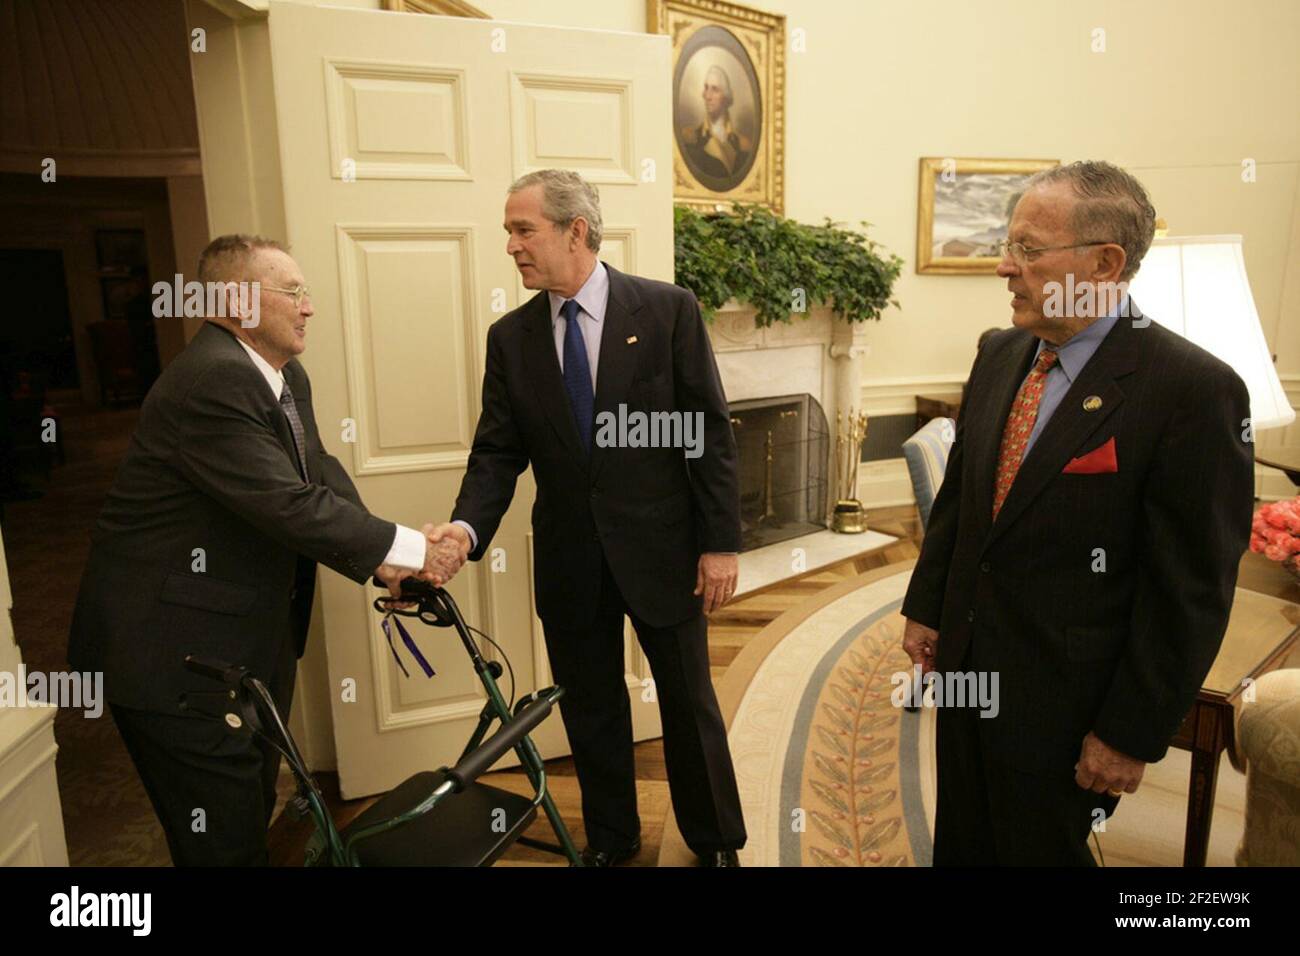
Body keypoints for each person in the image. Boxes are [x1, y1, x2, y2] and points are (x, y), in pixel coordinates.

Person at [67, 234, 466, 866]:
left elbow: (315, 472)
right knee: (221, 841)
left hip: (236, 644)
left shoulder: (281, 375)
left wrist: (390, 559)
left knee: (245, 812)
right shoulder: (213, 380)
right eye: (293, 292)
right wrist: (417, 550)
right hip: (170, 651)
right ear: (234, 301)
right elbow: (287, 503)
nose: (309, 306)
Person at [900, 161, 1254, 865]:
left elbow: (1187, 591)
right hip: (970, 673)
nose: (1005, 266)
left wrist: (1129, 731)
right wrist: (929, 607)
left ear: (1104, 263)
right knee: (964, 843)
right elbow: (963, 505)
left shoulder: (1192, 390)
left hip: (1066, 707)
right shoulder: (1000, 354)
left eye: (1029, 250)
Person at [428, 169, 747, 866]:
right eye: (509, 231)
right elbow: (496, 452)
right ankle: (612, 840)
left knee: (689, 706)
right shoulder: (510, 338)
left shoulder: (667, 311)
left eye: (523, 230)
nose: (510, 245)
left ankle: (716, 840)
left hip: (664, 550)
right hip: (572, 559)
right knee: (592, 709)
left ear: (576, 231)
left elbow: (707, 434)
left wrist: (720, 544)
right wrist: (465, 529)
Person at [679, 64, 753, 184]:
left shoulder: (743, 145)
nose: (707, 96)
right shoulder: (690, 138)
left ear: (726, 96)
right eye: (706, 88)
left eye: (715, 89)